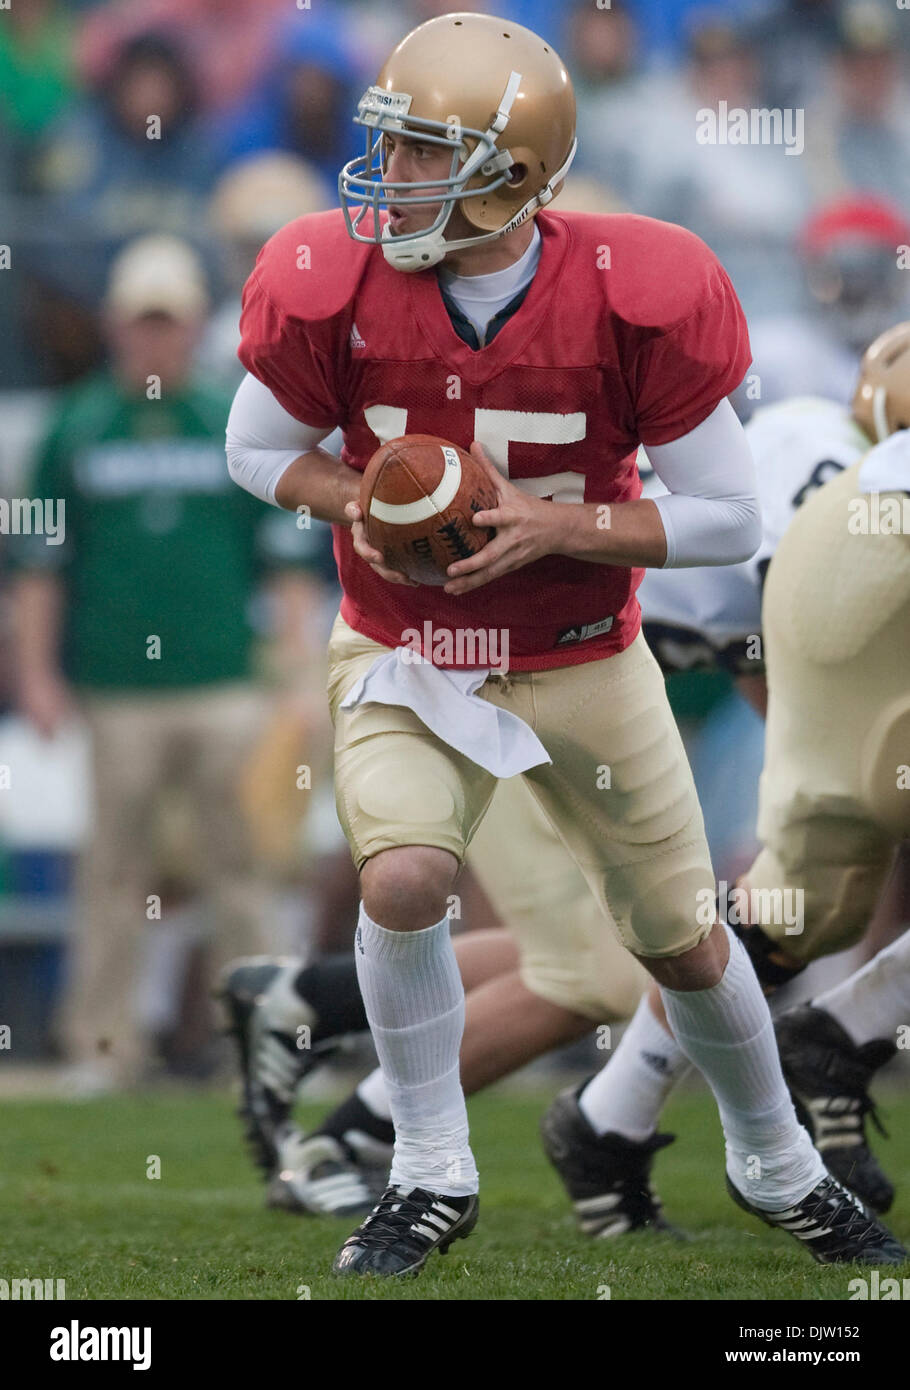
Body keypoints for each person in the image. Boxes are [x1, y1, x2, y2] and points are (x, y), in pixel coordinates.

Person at [226, 12, 903, 1276]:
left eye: (427, 154)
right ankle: (427, 1169)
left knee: (680, 941)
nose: (394, 178)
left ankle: (776, 1163)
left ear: (515, 172)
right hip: (406, 646)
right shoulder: (329, 275)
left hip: (585, 650)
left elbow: (723, 516)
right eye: (394, 144)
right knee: (403, 880)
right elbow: (255, 448)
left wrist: (558, 523)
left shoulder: (637, 286)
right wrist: (353, 501)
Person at [10, 235, 314, 1092]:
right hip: (116, 691)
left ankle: (263, 1049)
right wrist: (37, 675)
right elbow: (36, 566)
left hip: (224, 684)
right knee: (113, 871)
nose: (154, 339)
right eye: (141, 322)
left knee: (245, 871)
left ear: (190, 326)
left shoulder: (233, 420)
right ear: (116, 326)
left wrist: (293, 673)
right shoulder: (71, 426)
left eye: (167, 322)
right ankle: (104, 1047)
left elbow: (285, 558)